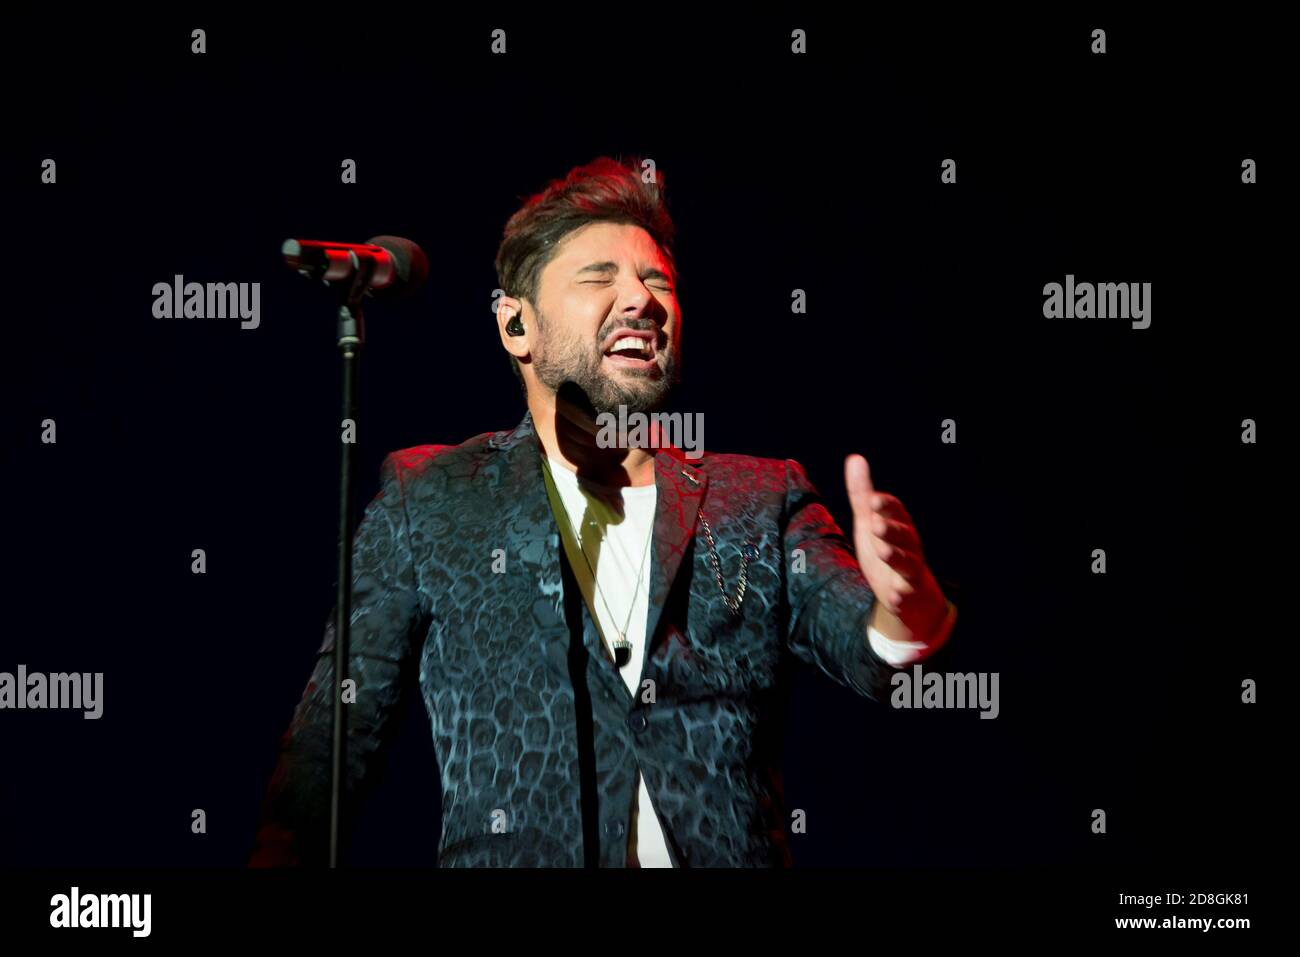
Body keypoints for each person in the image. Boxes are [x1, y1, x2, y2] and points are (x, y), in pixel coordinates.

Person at [250, 156, 957, 868]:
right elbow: (326, 756)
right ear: (516, 326)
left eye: (657, 281)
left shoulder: (758, 498)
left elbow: (873, 648)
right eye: (599, 277)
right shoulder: (429, 497)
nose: (641, 300)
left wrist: (909, 605)